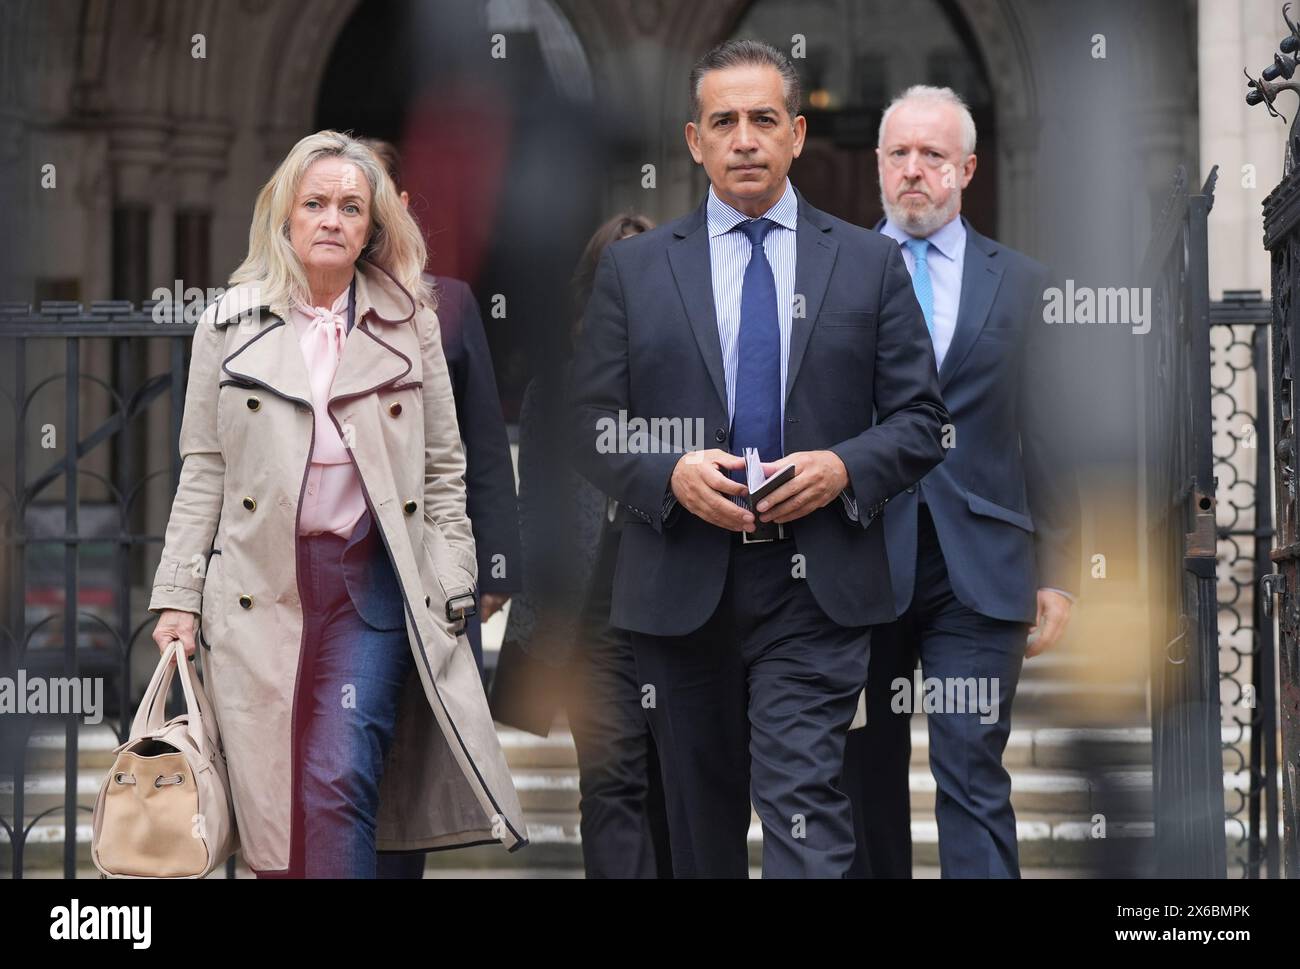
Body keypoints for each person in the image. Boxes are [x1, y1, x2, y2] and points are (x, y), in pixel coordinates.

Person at [568, 41, 948, 878]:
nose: (745, 138)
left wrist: (845, 467)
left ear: (799, 134)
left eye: (764, 119)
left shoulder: (869, 263)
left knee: (805, 810)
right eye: (724, 122)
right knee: (699, 838)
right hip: (678, 586)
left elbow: (923, 421)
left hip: (818, 591)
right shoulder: (635, 270)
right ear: (694, 140)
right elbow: (590, 424)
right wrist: (667, 473)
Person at [147, 130, 526, 878]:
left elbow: (446, 467)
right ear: (285, 216)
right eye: (314, 203)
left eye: (350, 207)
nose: (330, 219)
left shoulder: (413, 318)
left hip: (372, 586)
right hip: (262, 588)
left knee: (336, 771)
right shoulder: (226, 322)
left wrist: (451, 572)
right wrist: (177, 596)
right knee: (275, 800)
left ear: (372, 227)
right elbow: (204, 472)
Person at [841, 86, 1080, 878]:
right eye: (899, 154)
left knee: (973, 772)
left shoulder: (1020, 283)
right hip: (856, 558)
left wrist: (1060, 572)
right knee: (860, 777)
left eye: (933, 156)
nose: (914, 170)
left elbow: (1048, 434)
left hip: (979, 568)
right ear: (878, 165)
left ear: (967, 169)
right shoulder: (833, 272)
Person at [495, 213, 673, 878]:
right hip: (593, 621)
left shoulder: (700, 381)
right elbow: (532, 506)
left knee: (673, 783)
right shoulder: (559, 388)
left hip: (678, 610)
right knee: (612, 777)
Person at [360, 138, 522, 680]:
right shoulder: (300, 314)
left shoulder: (448, 303)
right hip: (341, 564)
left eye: (372, 196)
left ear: (402, 205)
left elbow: (483, 442)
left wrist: (495, 564)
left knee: (447, 725)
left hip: (436, 557)